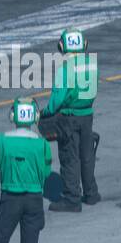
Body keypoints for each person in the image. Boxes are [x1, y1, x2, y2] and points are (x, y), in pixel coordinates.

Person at [44, 28, 100, 212]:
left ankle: (72, 198)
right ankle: (91, 193)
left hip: (70, 116)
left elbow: (58, 98)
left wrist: (46, 111)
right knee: (87, 155)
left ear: (62, 47)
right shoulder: (91, 64)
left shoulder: (65, 68)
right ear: (84, 45)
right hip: (87, 115)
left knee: (70, 157)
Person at [0, 97, 52, 243]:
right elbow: (46, 172)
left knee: (0, 239)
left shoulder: (1, 140)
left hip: (10, 198)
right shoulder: (42, 143)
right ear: (35, 116)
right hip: (34, 199)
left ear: (13, 116)